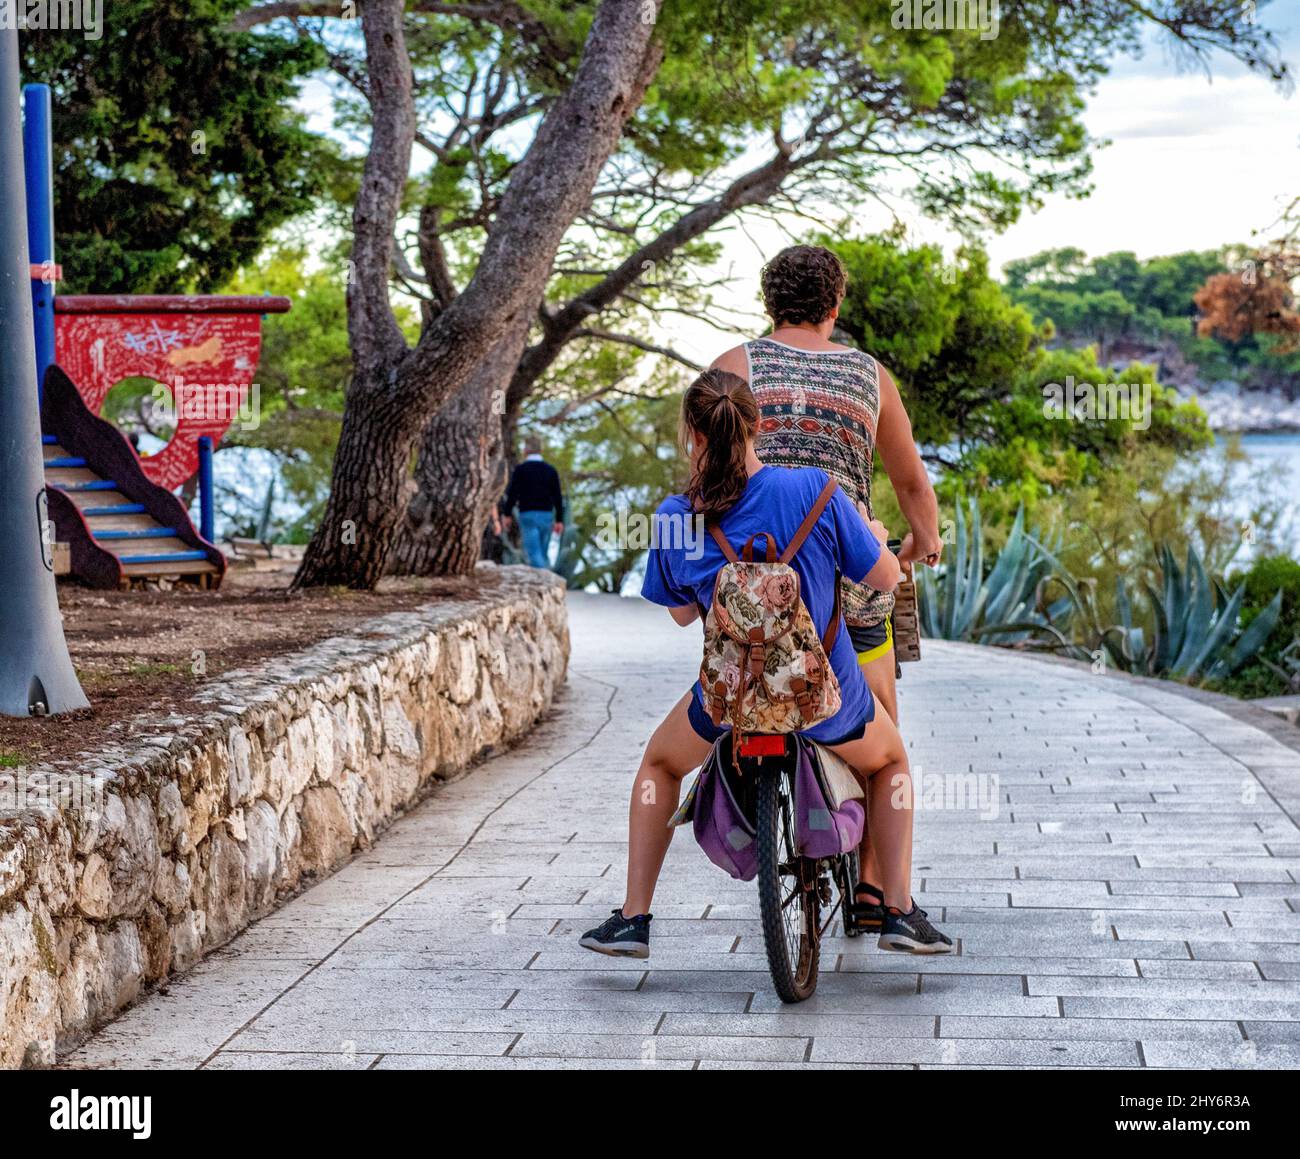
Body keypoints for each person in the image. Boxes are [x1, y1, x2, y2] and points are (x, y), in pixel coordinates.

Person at [579, 370, 953, 960]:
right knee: (891, 762)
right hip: (823, 695)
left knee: (659, 764)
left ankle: (633, 918)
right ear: (758, 426)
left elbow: (681, 615)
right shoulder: (816, 490)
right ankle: (898, 909)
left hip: (728, 700)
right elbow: (882, 578)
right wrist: (876, 536)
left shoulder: (678, 515)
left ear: (692, 437)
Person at [709, 244, 943, 935]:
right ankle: (881, 896)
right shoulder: (870, 376)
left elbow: (703, 470)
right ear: (835, 306)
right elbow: (908, 482)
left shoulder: (734, 367)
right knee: (886, 738)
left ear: (768, 303)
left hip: (755, 587)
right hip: (846, 587)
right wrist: (922, 540)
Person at [502, 435, 564, 570]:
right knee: (542, 553)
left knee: (534, 553)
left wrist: (507, 514)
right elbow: (558, 497)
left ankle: (544, 581)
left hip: (528, 515)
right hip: (546, 516)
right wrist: (559, 519)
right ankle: (547, 579)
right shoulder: (550, 470)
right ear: (541, 450)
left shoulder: (521, 470)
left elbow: (512, 494)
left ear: (526, 450)